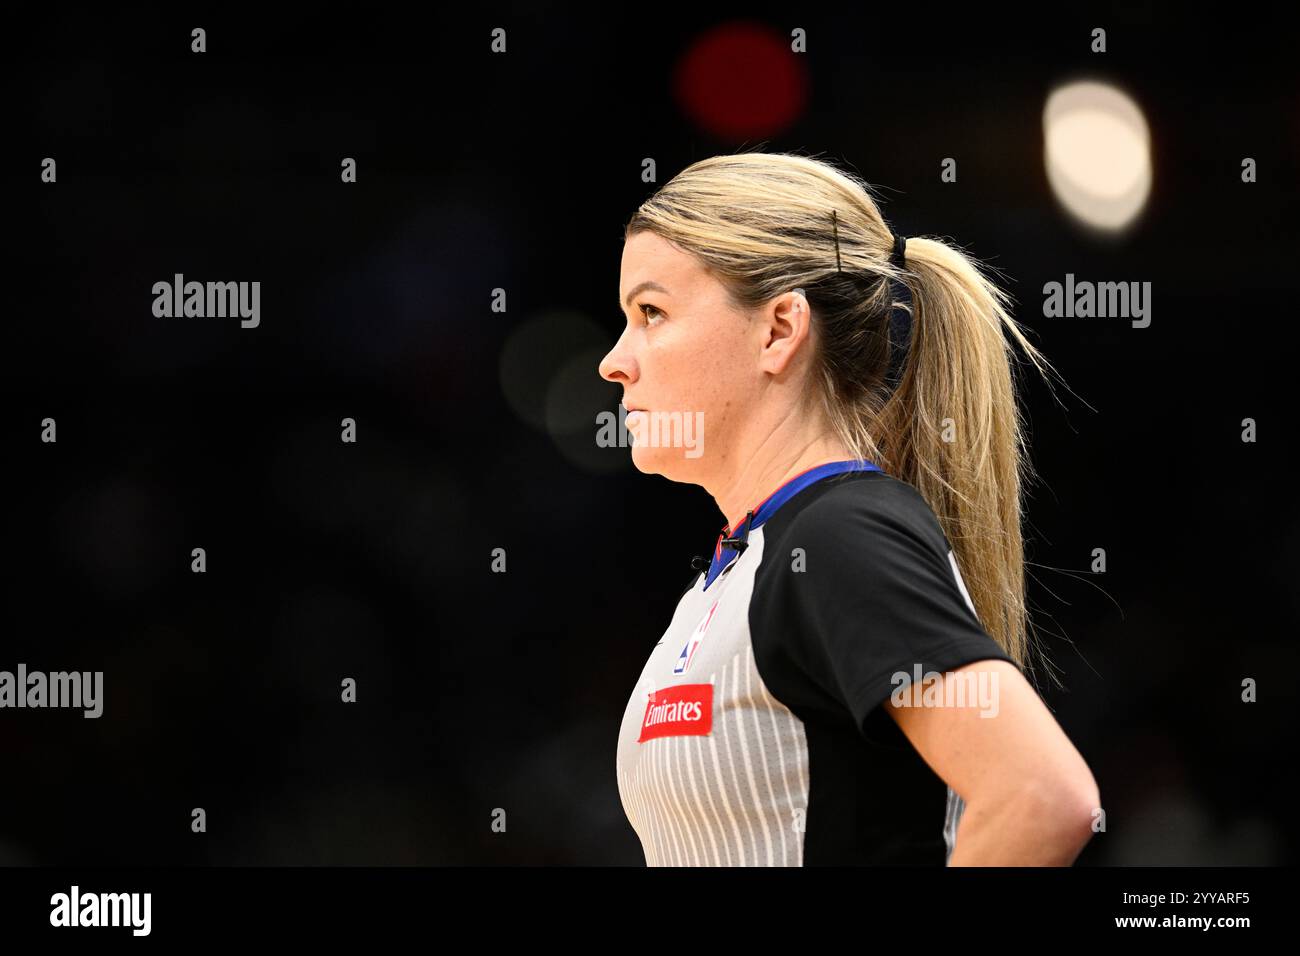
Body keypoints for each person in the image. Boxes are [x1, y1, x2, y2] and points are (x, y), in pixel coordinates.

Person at [598, 152, 1100, 866]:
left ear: (778, 330)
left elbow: (1042, 797)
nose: (614, 361)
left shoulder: (841, 536)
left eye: (651, 312)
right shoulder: (743, 565)